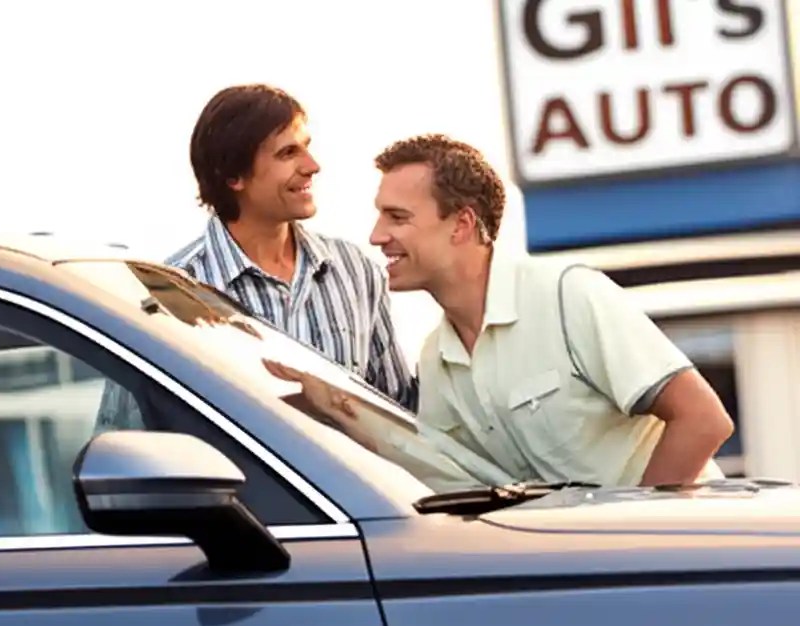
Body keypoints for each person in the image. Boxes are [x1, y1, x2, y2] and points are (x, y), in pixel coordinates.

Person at [273, 132, 733, 488]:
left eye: (398, 217)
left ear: (462, 224)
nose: (376, 236)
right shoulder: (437, 359)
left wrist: (634, 542)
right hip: (578, 568)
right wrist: (330, 404)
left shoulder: (568, 296)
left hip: (684, 557)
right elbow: (450, 477)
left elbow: (704, 419)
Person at [166, 84, 418, 411]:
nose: (312, 166)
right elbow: (140, 425)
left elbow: (396, 410)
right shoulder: (175, 291)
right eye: (288, 153)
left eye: (306, 147)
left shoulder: (355, 270)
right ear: (232, 175)